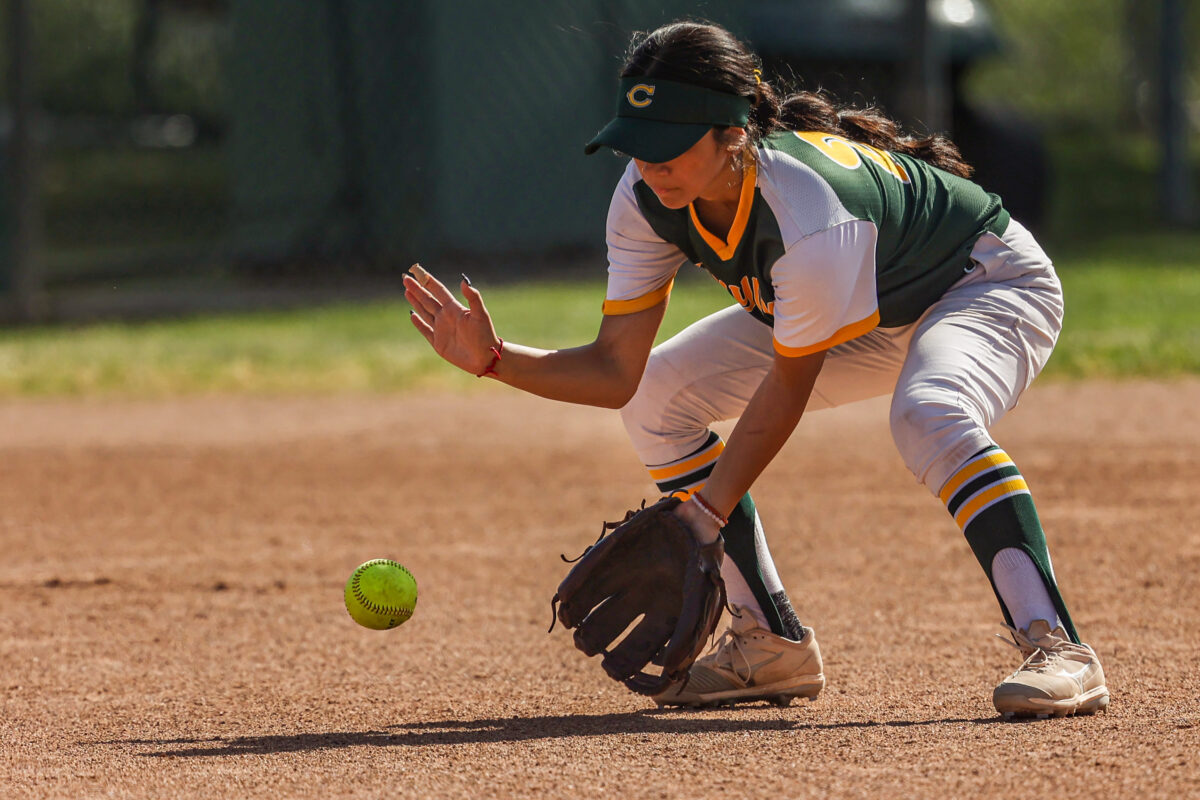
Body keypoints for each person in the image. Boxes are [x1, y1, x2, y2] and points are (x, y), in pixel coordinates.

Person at [403, 20, 1109, 719]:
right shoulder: (647, 198)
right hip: (856, 308)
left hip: (980, 285)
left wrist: (700, 518)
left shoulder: (806, 213)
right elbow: (618, 369)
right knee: (657, 397)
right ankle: (770, 645)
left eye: (670, 146)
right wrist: (495, 362)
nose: (650, 164)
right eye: (637, 145)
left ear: (733, 133)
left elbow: (785, 391)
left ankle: (1061, 649)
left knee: (929, 412)